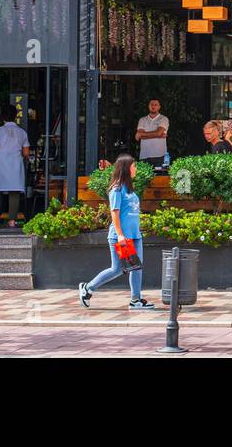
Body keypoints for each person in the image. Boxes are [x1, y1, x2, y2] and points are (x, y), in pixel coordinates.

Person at [78, 154, 155, 311]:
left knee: (136, 267)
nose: (136, 169)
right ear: (126, 169)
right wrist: (120, 235)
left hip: (135, 236)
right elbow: (114, 212)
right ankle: (88, 288)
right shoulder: (117, 189)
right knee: (117, 269)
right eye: (134, 166)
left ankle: (136, 300)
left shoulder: (130, 188)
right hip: (121, 237)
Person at [134, 99, 169, 170]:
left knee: (160, 178)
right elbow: (141, 136)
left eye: (156, 105)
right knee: (144, 179)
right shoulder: (142, 120)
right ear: (148, 106)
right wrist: (158, 135)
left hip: (160, 156)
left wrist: (142, 134)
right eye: (151, 104)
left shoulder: (163, 119)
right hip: (144, 155)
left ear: (159, 107)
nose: (153, 106)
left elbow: (158, 133)